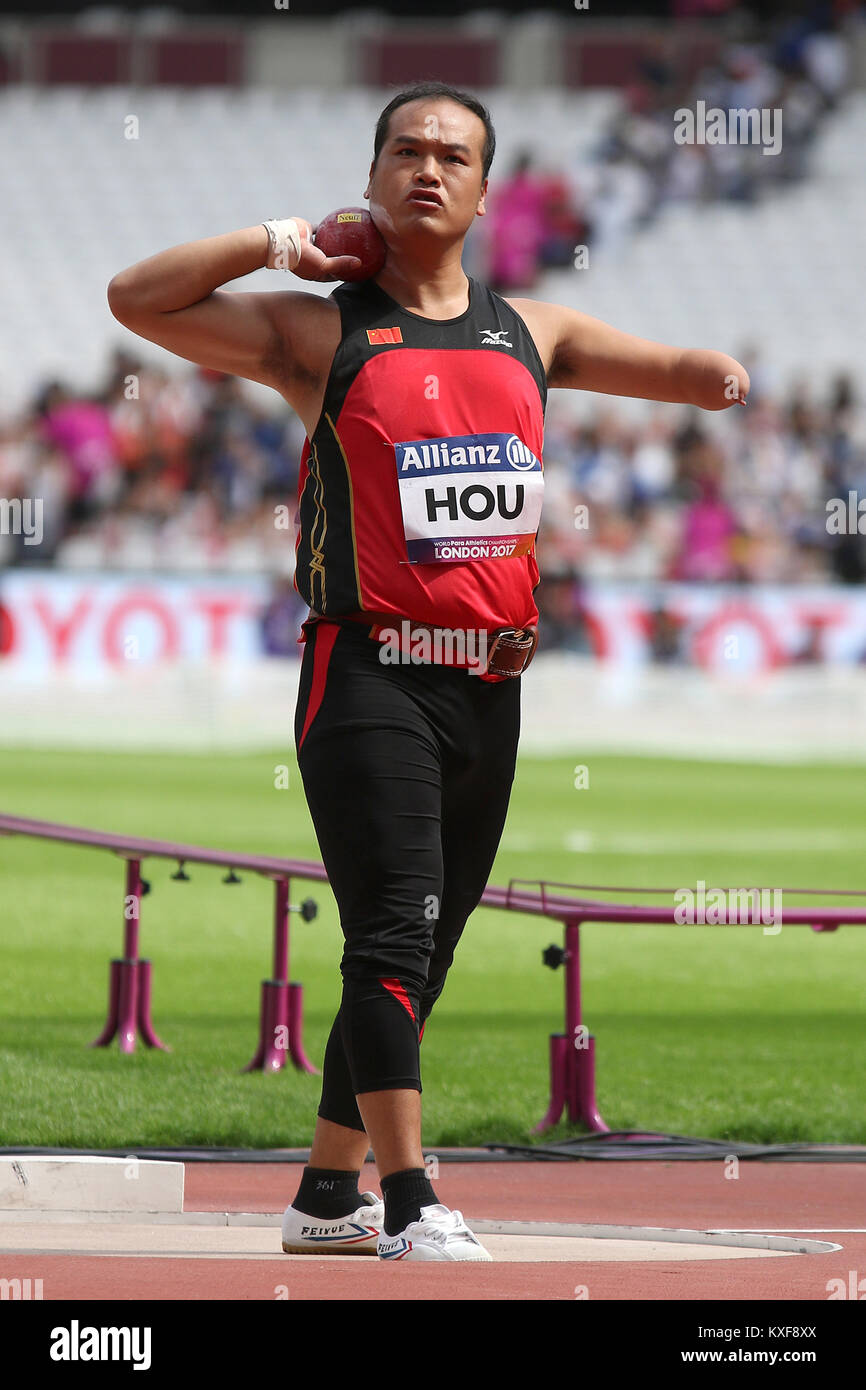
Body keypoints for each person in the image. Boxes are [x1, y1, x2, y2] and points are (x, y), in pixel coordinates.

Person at [107, 80, 749, 1262]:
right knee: (391, 943)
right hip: (368, 677)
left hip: (490, 690)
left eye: (453, 154)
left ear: (485, 190)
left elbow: (660, 367)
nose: (428, 167)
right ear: (371, 177)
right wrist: (279, 244)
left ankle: (321, 1195)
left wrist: (708, 375)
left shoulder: (531, 334)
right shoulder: (320, 332)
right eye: (404, 149)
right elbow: (136, 300)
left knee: (422, 956)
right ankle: (411, 1205)